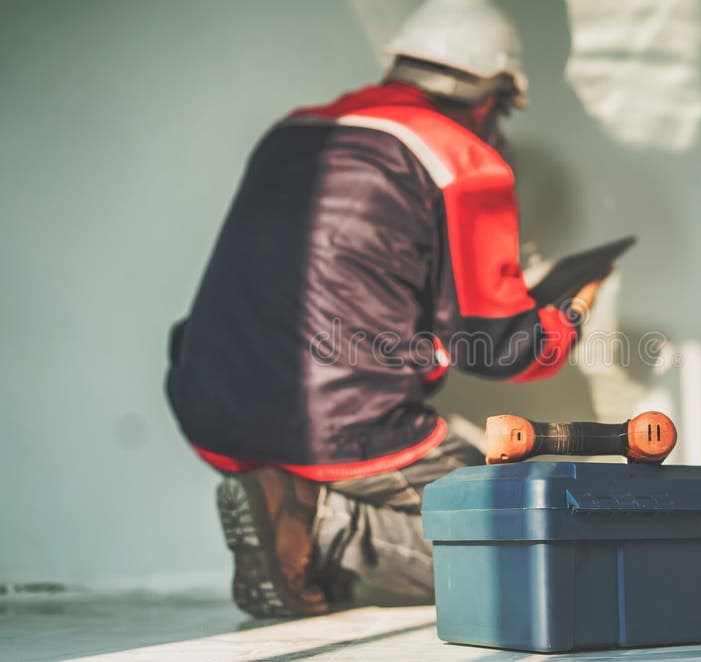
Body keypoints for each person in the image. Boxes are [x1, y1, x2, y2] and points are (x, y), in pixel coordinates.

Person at [165, 0, 605, 617]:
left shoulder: (293, 130)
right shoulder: (462, 157)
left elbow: (334, 286)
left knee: (491, 516)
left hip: (211, 401)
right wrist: (576, 307)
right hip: (340, 423)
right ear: (493, 97)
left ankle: (296, 531)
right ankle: (317, 523)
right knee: (538, 542)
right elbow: (507, 349)